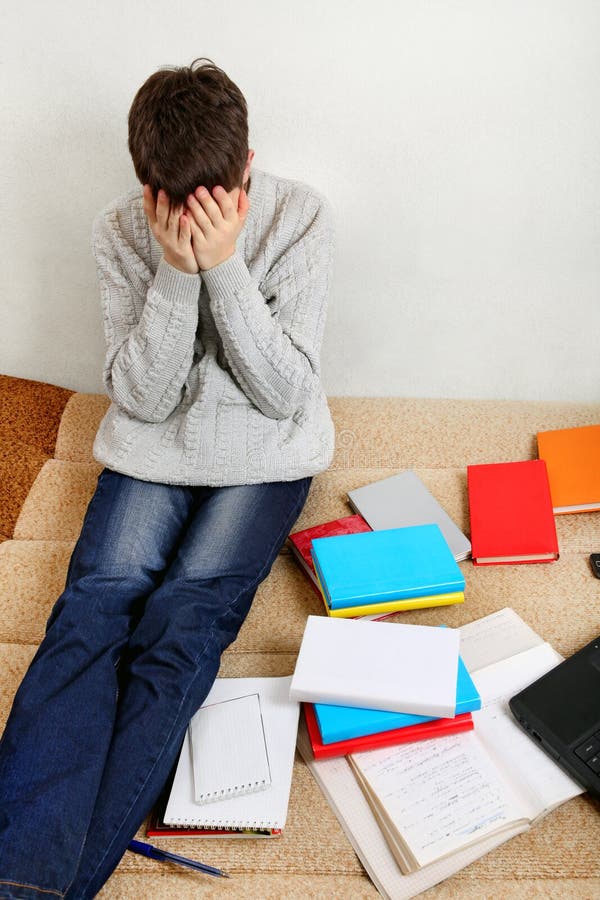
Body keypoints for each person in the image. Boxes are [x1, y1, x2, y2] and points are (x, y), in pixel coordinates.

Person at [0, 57, 335, 898]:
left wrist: (223, 266)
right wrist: (177, 274)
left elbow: (283, 390)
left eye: (209, 204)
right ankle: (23, 878)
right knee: (92, 610)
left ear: (246, 168)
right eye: (168, 204)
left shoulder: (300, 218)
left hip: (267, 455)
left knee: (182, 620)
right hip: (152, 450)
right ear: (146, 185)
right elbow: (143, 396)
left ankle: (44, 888)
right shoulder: (120, 227)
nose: (186, 220)